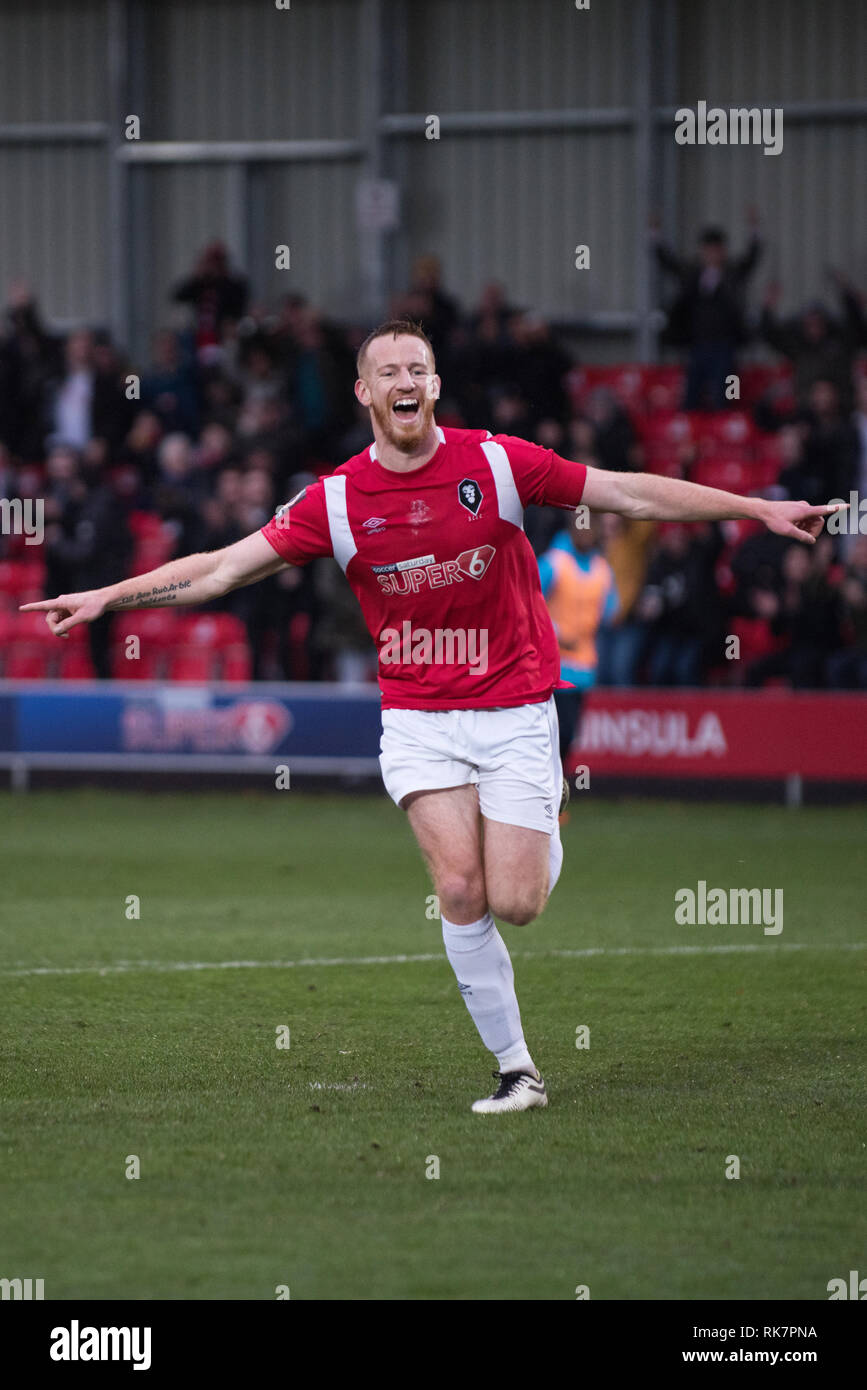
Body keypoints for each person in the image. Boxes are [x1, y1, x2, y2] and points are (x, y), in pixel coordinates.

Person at [22, 319, 843, 1114]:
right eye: (390, 371)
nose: (406, 382)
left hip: (517, 704)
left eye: (418, 369)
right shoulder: (336, 500)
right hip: (416, 718)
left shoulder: (496, 462)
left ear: (436, 384)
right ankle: (517, 1072)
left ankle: (545, 808)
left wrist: (754, 508)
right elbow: (221, 570)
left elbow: (624, 492)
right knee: (458, 886)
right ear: (364, 392)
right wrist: (109, 596)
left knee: (516, 902)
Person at [538, 511, 618, 791]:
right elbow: (527, 602)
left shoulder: (601, 568)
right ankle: (545, 793)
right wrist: (559, 633)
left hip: (583, 668)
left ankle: (555, 793)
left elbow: (611, 612)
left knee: (568, 736)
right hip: (550, 668)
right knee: (550, 736)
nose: (585, 534)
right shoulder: (553, 563)